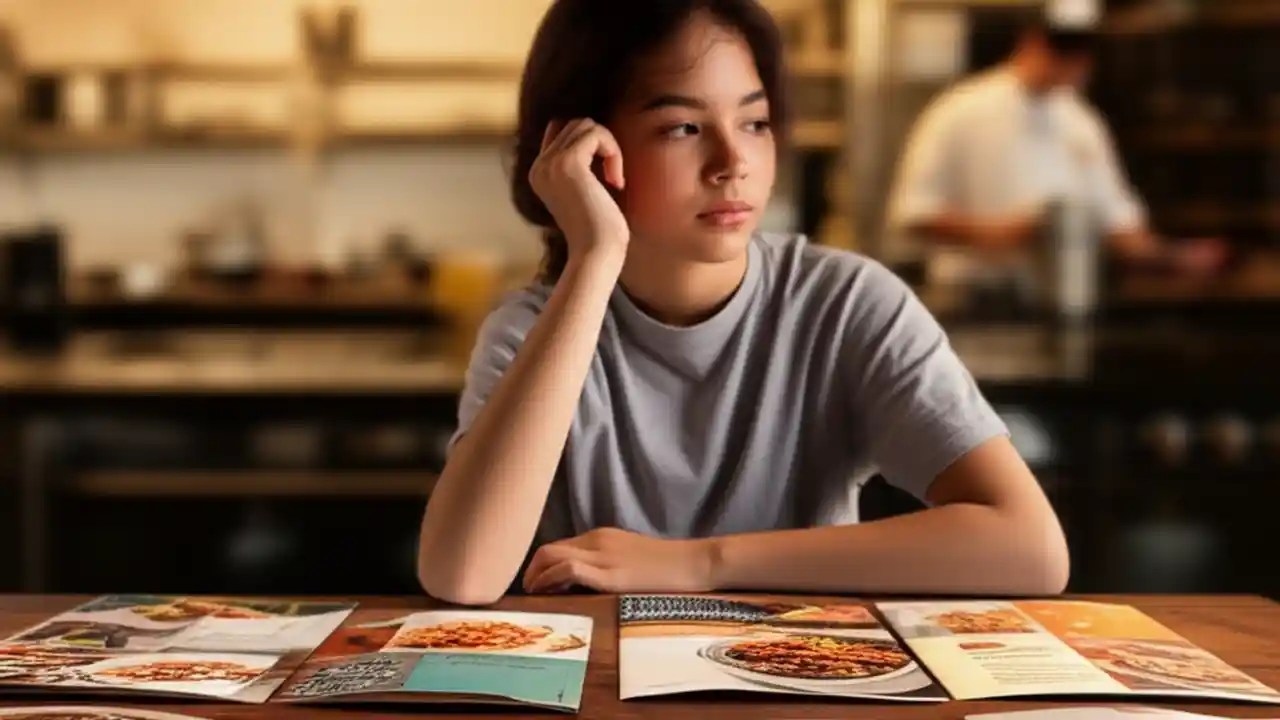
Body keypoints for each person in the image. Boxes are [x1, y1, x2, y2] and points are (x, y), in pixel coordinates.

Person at [417, 0, 1069, 606]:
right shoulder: (531, 330)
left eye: (754, 122)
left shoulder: (845, 303)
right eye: (683, 127)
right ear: (579, 148)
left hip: (809, 676)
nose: (734, 162)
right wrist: (593, 258)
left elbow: (1030, 549)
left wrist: (699, 564)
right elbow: (463, 575)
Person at [885, 14, 1226, 293]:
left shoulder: (1080, 121)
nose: (1073, 67)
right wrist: (1005, 234)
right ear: (1031, 42)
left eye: (1080, 57)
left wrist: (1174, 256)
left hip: (1064, 297)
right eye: (1063, 52)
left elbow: (1119, 221)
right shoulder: (959, 110)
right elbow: (914, 214)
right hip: (977, 295)